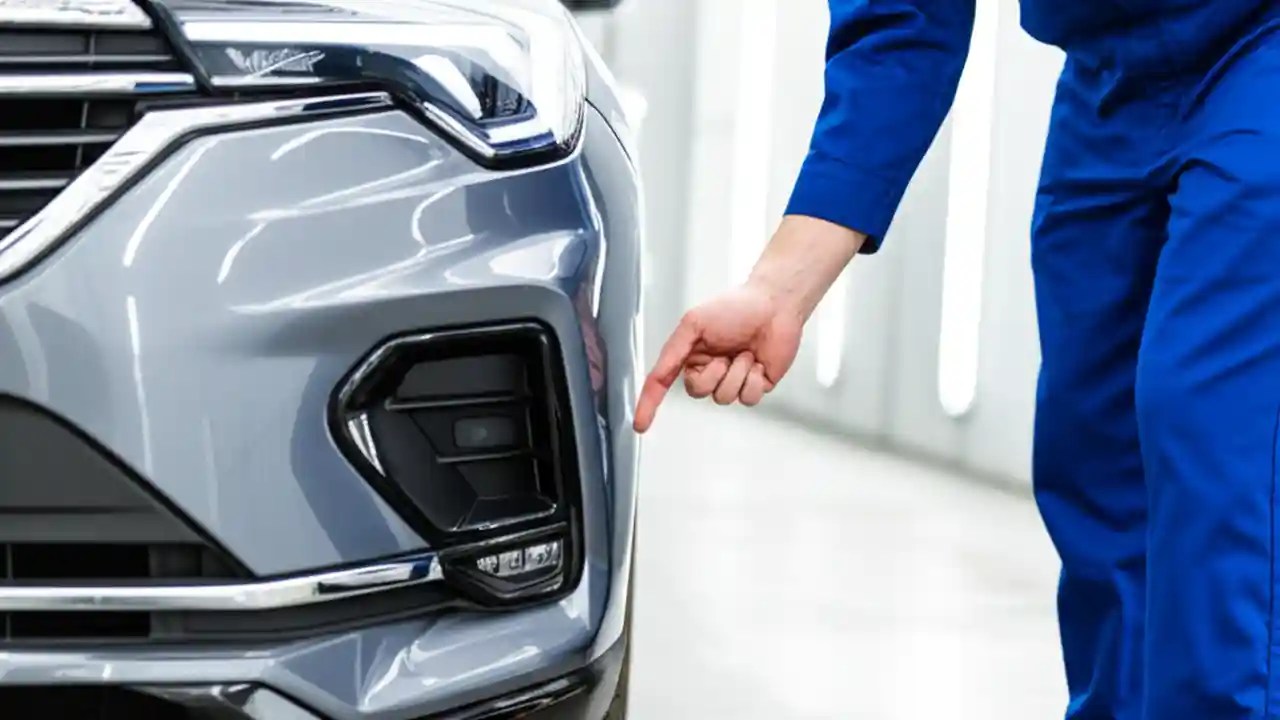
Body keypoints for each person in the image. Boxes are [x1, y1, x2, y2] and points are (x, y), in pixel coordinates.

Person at [632, 1, 1280, 717]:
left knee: (1212, 436)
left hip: (1262, 45)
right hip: (1108, 77)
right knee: (1093, 458)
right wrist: (779, 289)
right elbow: (903, 14)